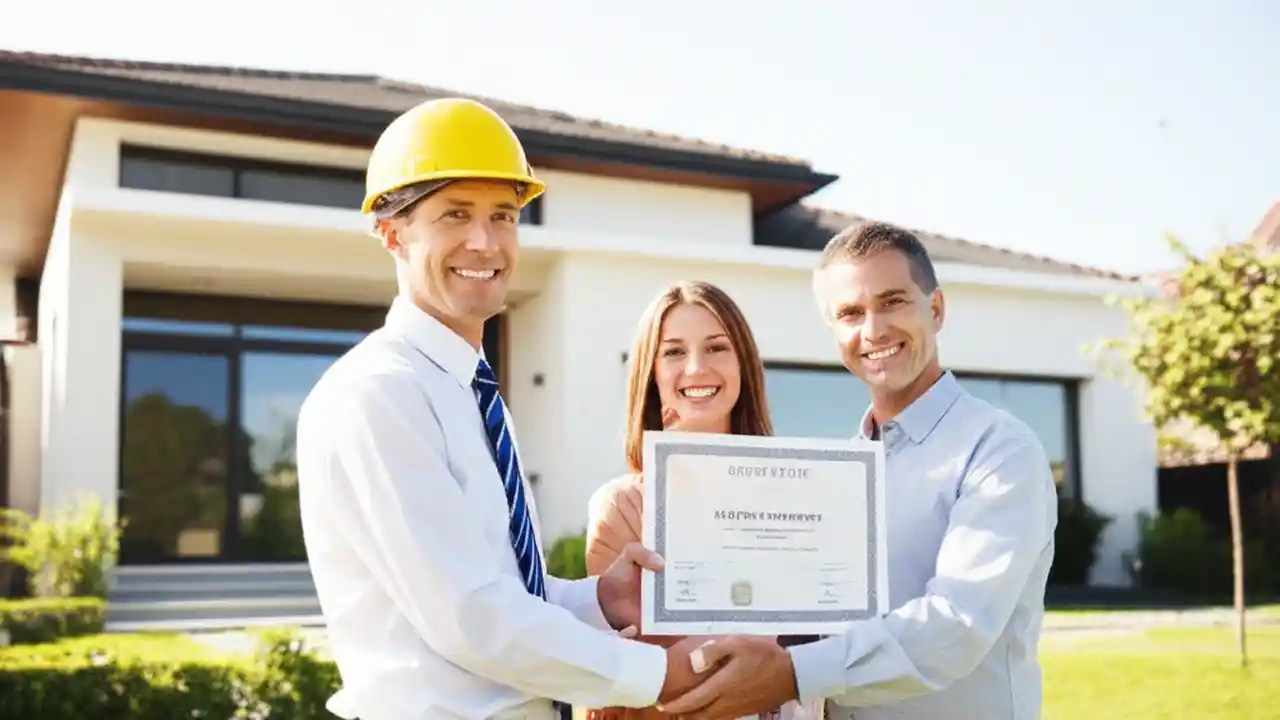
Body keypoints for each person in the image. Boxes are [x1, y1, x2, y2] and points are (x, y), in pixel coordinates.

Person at [295, 97, 713, 720]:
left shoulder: (467, 391)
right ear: (392, 234)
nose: (484, 241)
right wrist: (659, 673)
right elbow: (471, 615)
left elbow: (501, 590)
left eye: (504, 215)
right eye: (454, 214)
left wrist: (600, 598)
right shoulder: (380, 394)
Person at [658, 220, 1059, 719]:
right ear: (834, 331)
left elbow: (957, 624)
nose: (873, 330)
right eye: (851, 313)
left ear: (935, 310)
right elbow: (801, 620)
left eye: (893, 302)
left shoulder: (999, 449)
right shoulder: (836, 475)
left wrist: (788, 674)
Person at [582, 280, 825, 720]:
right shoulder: (621, 507)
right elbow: (616, 677)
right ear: (651, 372)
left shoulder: (802, 494)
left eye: (716, 347)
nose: (696, 368)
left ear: (743, 364)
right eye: (673, 351)